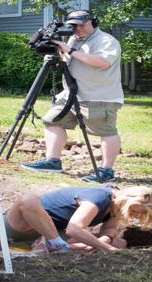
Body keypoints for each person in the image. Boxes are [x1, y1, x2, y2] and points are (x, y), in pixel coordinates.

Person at [21, 9, 124, 184]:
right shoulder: (74, 37)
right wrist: (56, 50)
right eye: (74, 26)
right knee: (52, 121)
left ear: (94, 22)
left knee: (105, 132)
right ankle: (52, 162)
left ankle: (107, 171)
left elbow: (102, 62)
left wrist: (69, 49)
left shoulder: (106, 40)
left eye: (83, 25)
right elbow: (70, 59)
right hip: (71, 93)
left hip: (98, 96)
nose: (79, 29)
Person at [2, 184, 152, 254]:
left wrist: (105, 241)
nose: (136, 216)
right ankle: (56, 245)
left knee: (119, 242)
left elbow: (109, 230)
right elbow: (74, 228)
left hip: (52, 233)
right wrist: (107, 249)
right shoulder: (99, 197)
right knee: (29, 199)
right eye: (135, 211)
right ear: (126, 200)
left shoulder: (115, 206)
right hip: (21, 227)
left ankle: (50, 245)